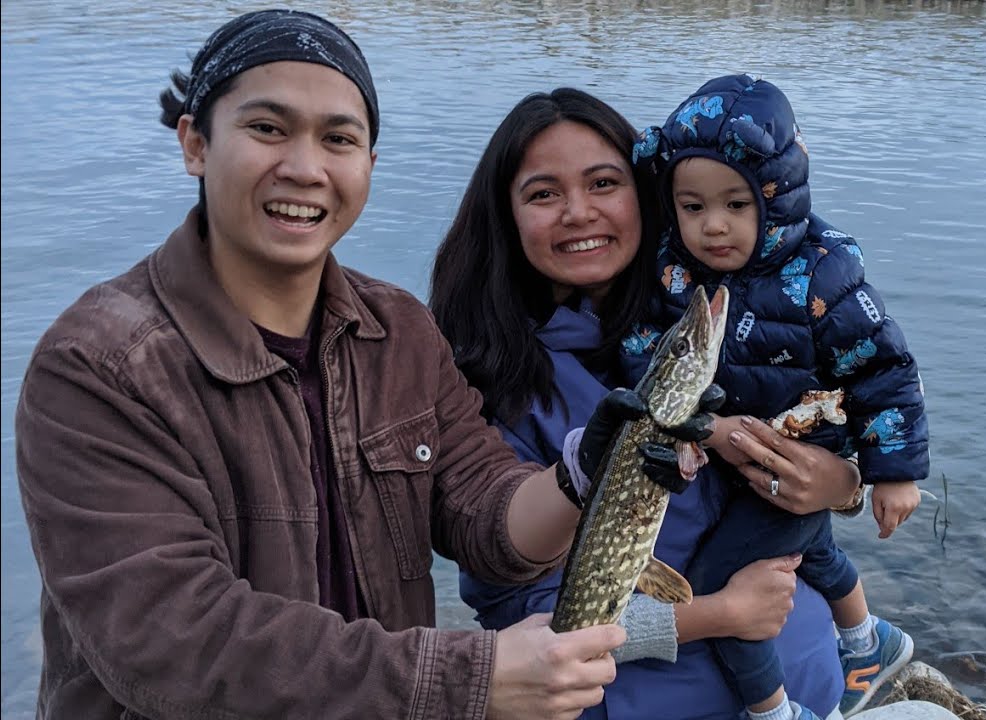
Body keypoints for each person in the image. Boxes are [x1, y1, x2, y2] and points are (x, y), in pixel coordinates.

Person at [12, 10, 716, 720]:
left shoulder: (399, 332)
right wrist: (470, 680)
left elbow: (484, 516)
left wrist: (582, 474)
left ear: (368, 166)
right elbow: (177, 646)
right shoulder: (97, 369)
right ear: (195, 142)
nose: (305, 167)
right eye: (268, 128)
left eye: (338, 138)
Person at [429, 87, 871, 720]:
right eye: (543, 193)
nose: (579, 212)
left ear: (647, 195)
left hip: (806, 684)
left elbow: (828, 416)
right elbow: (527, 620)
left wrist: (839, 484)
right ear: (506, 216)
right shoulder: (480, 383)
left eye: (604, 183)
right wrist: (716, 614)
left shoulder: (724, 317)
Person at [625, 73, 930, 719]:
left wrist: (892, 473)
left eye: (736, 205)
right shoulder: (676, 271)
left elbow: (886, 372)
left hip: (793, 464)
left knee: (717, 585)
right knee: (814, 551)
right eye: (692, 206)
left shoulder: (822, 272)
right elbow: (648, 350)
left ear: (778, 196)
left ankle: (773, 711)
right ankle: (868, 641)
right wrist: (679, 424)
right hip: (737, 466)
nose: (713, 226)